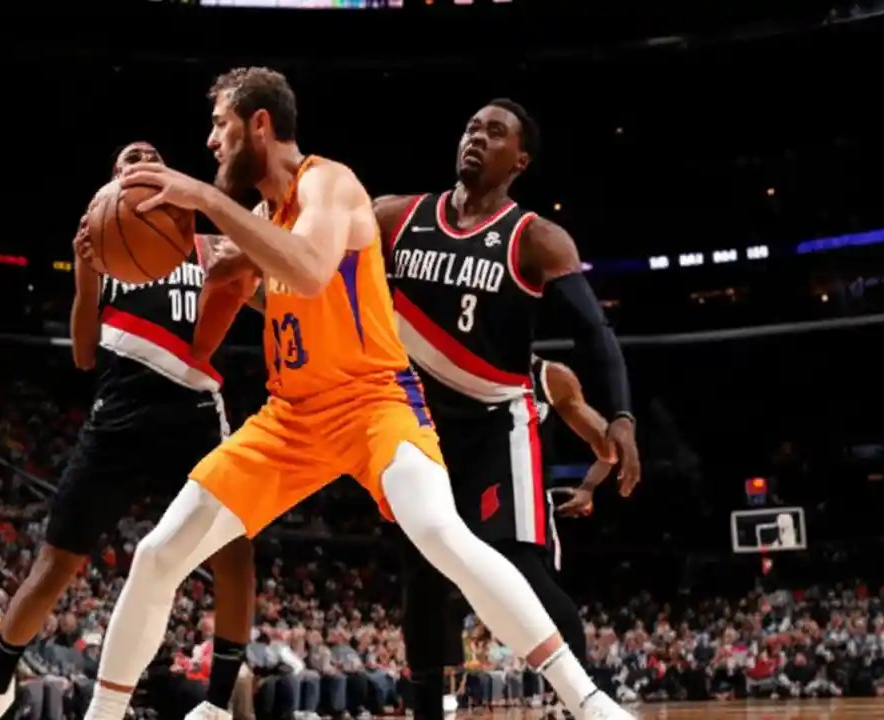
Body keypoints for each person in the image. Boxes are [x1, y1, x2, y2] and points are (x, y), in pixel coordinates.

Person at [77, 67, 634, 720]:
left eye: (220, 126)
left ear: (260, 125)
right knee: (156, 554)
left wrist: (203, 200)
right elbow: (204, 342)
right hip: (290, 418)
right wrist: (180, 257)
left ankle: (592, 703)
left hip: (374, 403)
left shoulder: (331, 184)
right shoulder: (261, 217)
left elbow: (310, 269)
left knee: (442, 534)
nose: (209, 142)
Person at [0, 142, 257, 720]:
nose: (140, 157)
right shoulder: (105, 245)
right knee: (55, 564)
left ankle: (218, 704)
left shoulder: (205, 241)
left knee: (235, 551)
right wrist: (86, 277)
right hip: (119, 416)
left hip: (194, 412)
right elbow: (85, 356)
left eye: (151, 154)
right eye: (127, 157)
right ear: (112, 183)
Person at [371, 99, 641, 720]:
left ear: (519, 160)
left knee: (522, 571)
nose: (477, 137)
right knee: (423, 581)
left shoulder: (537, 239)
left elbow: (595, 335)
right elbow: (322, 260)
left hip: (496, 423)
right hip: (417, 424)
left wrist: (621, 417)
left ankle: (583, 706)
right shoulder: (397, 216)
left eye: (495, 132)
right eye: (471, 126)